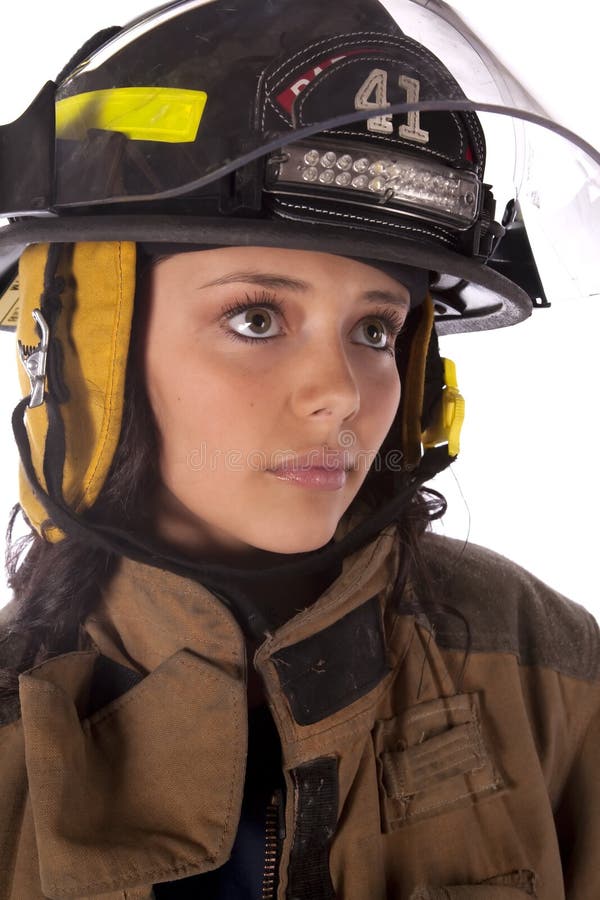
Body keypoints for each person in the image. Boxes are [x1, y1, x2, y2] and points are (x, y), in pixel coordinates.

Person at [0, 1, 598, 898]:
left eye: (374, 329)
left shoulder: (540, 663)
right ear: (87, 349)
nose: (343, 394)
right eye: (257, 317)